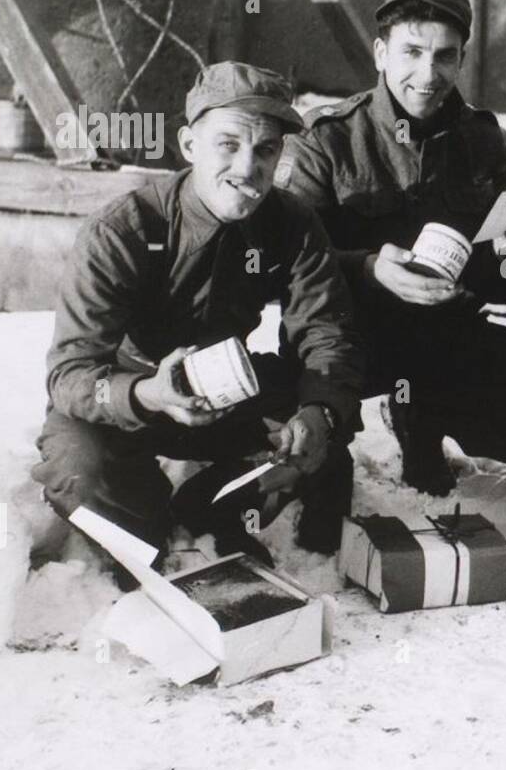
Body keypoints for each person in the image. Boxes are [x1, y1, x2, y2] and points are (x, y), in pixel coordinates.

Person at [32, 62, 366, 569]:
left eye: (266, 149)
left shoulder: (292, 222)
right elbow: (68, 375)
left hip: (228, 388)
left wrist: (316, 414)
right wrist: (149, 395)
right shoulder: (122, 231)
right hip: (129, 399)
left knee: (324, 445)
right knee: (79, 474)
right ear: (189, 146)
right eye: (228, 144)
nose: (248, 167)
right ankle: (147, 513)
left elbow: (326, 332)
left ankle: (213, 507)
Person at [277, 0, 506, 495]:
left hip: (446, 334)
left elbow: (490, 262)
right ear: (380, 53)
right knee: (311, 485)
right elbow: (286, 262)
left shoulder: (484, 139)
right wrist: (370, 268)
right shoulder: (325, 139)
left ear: (461, 60)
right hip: (346, 338)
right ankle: (353, 432)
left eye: (445, 56)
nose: (428, 73)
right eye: (412, 52)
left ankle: (421, 420)